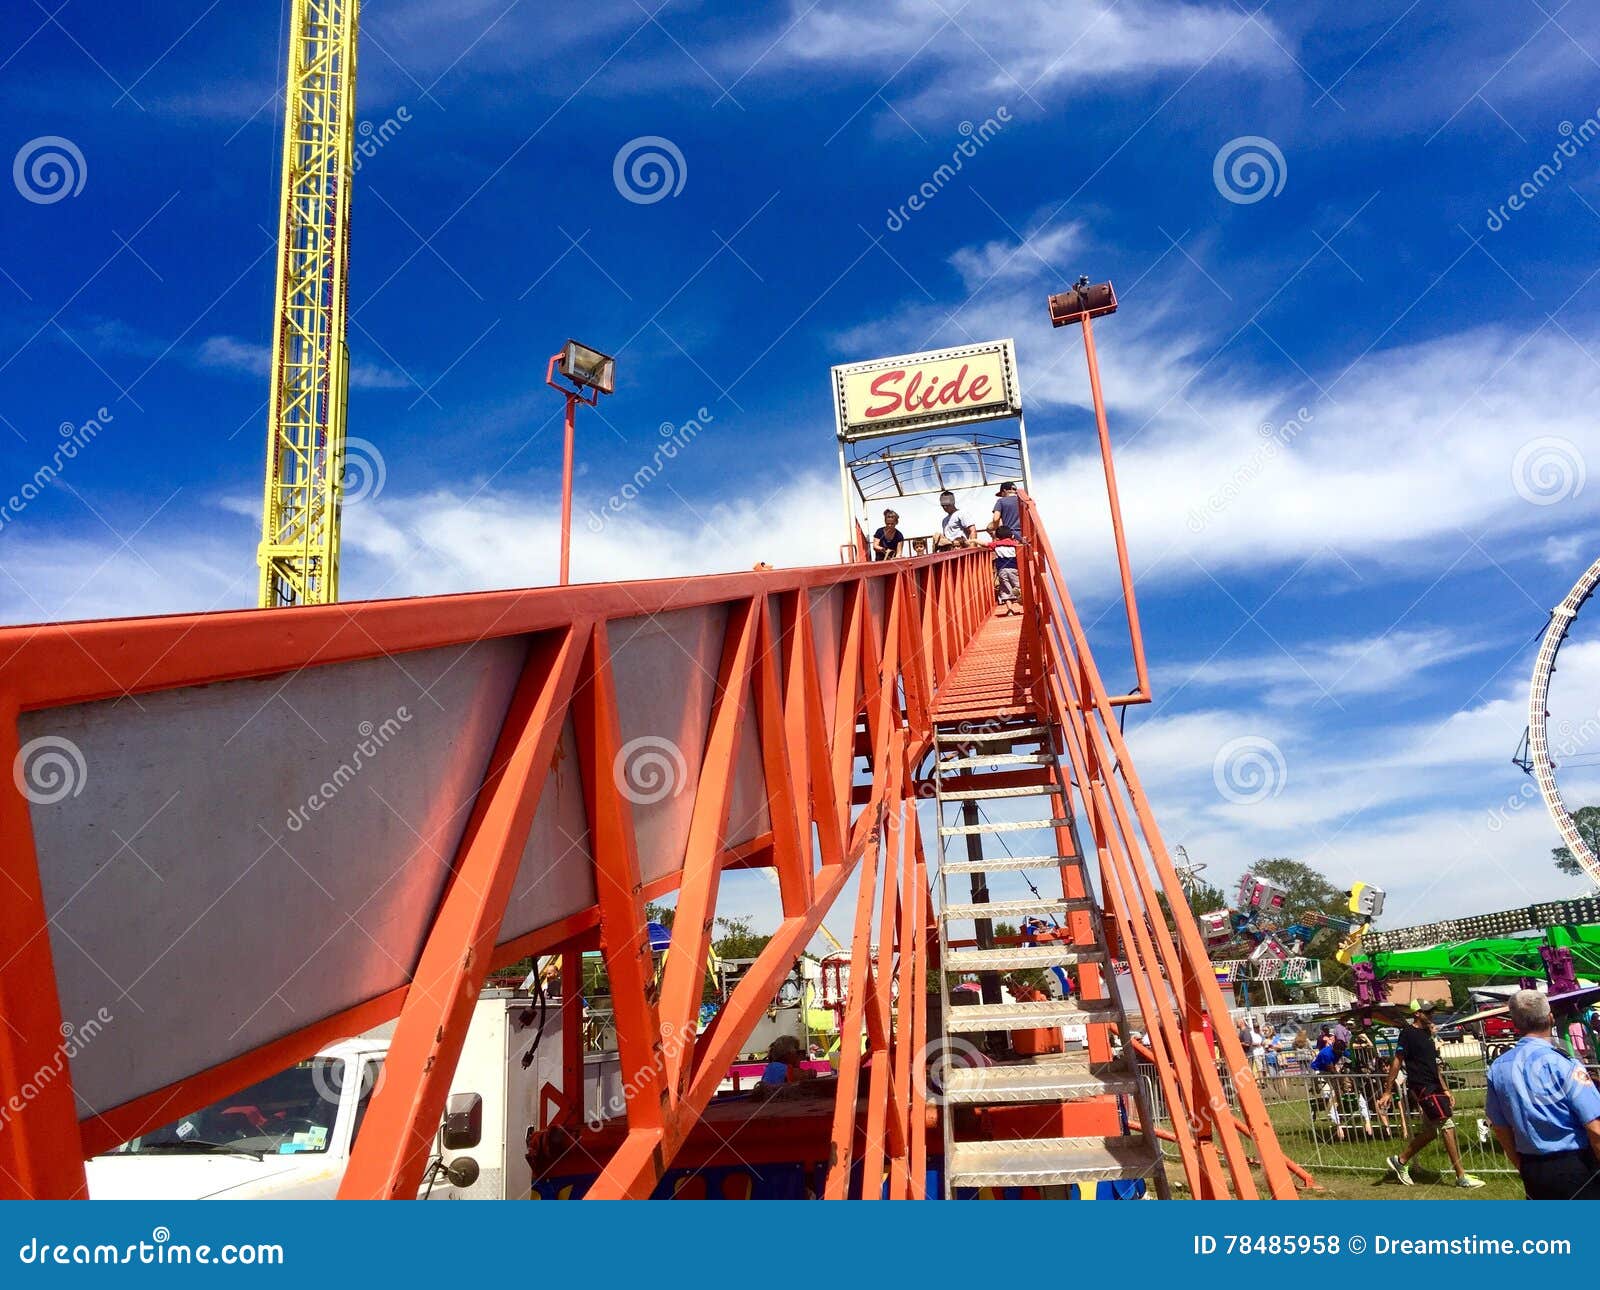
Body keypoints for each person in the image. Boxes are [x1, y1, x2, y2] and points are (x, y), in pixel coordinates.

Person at [1485, 989, 1600, 1199]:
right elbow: (1595, 1128)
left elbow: (1500, 1128)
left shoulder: (1498, 1068)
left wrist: (1521, 1165)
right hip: (1576, 1166)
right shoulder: (1564, 1063)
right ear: (1550, 1018)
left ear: (1515, 1023)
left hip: (1532, 1167)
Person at [1377, 1000, 1485, 1188]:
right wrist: (1387, 1091)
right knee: (1447, 1125)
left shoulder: (1427, 1034)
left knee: (1432, 1131)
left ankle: (1400, 1161)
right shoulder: (1407, 1034)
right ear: (1417, 1014)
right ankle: (1461, 1176)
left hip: (1435, 1086)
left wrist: (1445, 1088)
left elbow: (1433, 1065)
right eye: (1427, 1012)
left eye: (1432, 1011)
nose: (1431, 1015)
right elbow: (1397, 1061)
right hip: (1422, 1086)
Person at [991, 524, 1022, 614]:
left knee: (1005, 590)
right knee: (1018, 585)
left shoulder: (996, 545)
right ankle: (1019, 595)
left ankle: (1010, 611)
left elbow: (985, 544)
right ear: (1011, 536)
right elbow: (1022, 546)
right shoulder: (1014, 545)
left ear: (997, 537)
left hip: (1002, 571)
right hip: (1014, 569)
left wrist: (974, 541)